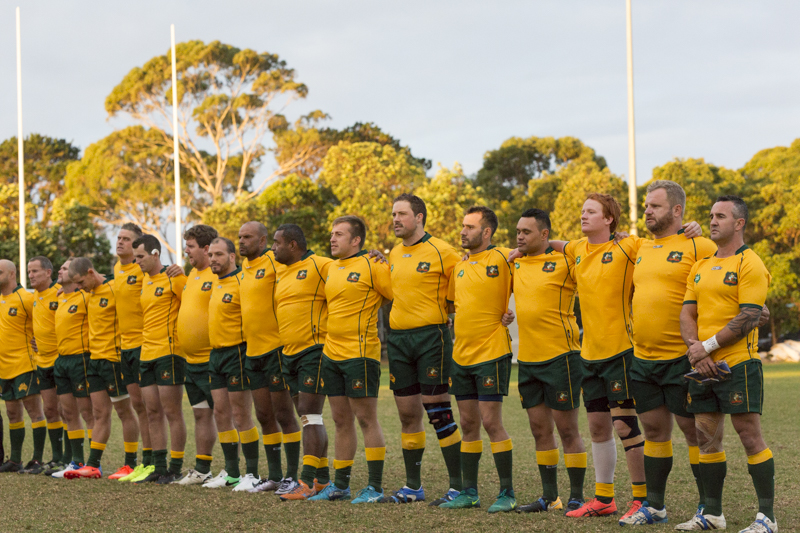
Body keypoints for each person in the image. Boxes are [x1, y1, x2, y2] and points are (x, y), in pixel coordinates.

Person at [560, 193, 702, 521]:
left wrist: (689, 227)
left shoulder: (630, 246)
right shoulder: (577, 248)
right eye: (582, 210)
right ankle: (604, 498)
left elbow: (666, 244)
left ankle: (641, 498)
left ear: (609, 219)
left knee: (625, 426)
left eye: (590, 211)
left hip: (622, 352)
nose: (583, 216)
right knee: (597, 427)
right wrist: (520, 248)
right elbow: (554, 243)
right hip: (589, 354)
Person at [621, 180, 717, 525]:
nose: (647, 210)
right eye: (646, 206)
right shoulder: (640, 246)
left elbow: (727, 271)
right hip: (643, 358)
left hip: (683, 358)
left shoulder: (699, 244)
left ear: (677, 211)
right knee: (654, 432)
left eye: (655, 206)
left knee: (694, 432)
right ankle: (655, 506)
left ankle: (708, 506)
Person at [677, 196, 775, 533]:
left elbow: (750, 316)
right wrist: (695, 349)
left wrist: (706, 348)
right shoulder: (701, 265)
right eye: (711, 216)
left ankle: (767, 518)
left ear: (739, 223)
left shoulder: (750, 263)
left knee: (749, 437)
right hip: (702, 367)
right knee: (706, 439)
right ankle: (712, 514)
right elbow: (687, 312)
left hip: (738, 365)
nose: (713, 221)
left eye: (721, 216)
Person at [383, 194, 463, 505]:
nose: (396, 219)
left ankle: (458, 486)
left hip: (432, 338)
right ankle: (413, 487)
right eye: (393, 213)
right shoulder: (392, 254)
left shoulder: (443, 251)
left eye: (402, 213)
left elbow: (462, 294)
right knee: (406, 415)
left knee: (438, 412)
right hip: (398, 341)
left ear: (419, 217)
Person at [508, 209, 587, 513]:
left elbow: (588, 256)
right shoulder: (514, 263)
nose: (519, 237)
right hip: (527, 360)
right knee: (540, 431)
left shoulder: (565, 261)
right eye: (518, 231)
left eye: (527, 232)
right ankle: (550, 497)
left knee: (568, 431)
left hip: (561, 357)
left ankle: (577, 495)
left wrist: (556, 243)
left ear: (544, 235)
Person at [440, 206, 516, 513]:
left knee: (490, 422)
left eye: (470, 227)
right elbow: (456, 308)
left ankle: (507, 492)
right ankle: (469, 492)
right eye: (462, 226)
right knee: (468, 423)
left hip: (492, 353)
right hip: (462, 356)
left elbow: (537, 255)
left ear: (486, 232)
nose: (462, 231)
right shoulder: (458, 266)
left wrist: (510, 313)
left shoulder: (505, 257)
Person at [315, 216, 392, 504]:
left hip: (360, 355)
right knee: (340, 419)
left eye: (339, 234)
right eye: (332, 233)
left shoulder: (374, 264)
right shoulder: (332, 268)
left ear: (356, 240)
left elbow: (397, 293)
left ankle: (374, 487)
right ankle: (341, 486)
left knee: (365, 419)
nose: (332, 239)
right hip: (331, 354)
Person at [238, 221, 302, 494]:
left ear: (263, 241)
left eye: (247, 237)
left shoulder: (275, 263)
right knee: (264, 415)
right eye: (239, 237)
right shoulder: (244, 268)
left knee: (284, 414)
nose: (241, 241)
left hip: (276, 350)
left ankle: (292, 475)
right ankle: (274, 476)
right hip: (252, 352)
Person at [271, 224, 333, 500]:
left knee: (310, 414)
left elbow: (350, 273)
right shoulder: (281, 272)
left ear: (293, 244)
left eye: (276, 243)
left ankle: (306, 482)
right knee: (308, 417)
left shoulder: (320, 265)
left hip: (314, 350)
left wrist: (374, 256)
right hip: (289, 353)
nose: (272, 248)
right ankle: (323, 479)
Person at [65, 257, 140, 480]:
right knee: (99, 413)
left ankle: (130, 464)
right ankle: (93, 465)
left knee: (124, 411)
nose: (79, 287)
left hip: (114, 359)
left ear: (90, 272)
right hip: (94, 360)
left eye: (80, 282)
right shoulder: (87, 294)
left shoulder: (115, 287)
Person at [203, 237, 261, 491]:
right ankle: (232, 472)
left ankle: (253, 473)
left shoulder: (242, 281)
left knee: (240, 414)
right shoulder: (215, 283)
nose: (213, 259)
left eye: (218, 254)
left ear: (232, 257)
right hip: (215, 355)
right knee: (220, 413)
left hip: (237, 353)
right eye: (211, 255)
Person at [132, 234, 187, 484]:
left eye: (141, 256)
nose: (137, 261)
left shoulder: (174, 277)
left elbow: (191, 305)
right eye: (135, 257)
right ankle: (159, 466)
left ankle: (175, 468)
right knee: (152, 411)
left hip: (169, 353)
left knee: (172, 411)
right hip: (146, 354)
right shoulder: (144, 280)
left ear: (155, 254)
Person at [174, 224, 219, 485]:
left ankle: (235, 471)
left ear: (206, 248)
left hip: (212, 360)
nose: (186, 251)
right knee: (201, 415)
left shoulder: (218, 274)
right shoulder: (192, 274)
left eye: (190, 246)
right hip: (191, 362)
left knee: (226, 416)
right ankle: (202, 469)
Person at [112, 223, 153, 482]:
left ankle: (151, 462)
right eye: (118, 238)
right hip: (124, 347)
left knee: (149, 407)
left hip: (144, 344)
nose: (120, 242)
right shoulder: (117, 269)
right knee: (138, 405)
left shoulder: (143, 270)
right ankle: (139, 463)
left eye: (126, 239)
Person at [0, 259, 47, 473]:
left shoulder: (26, 298)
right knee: (12, 414)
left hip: (25, 364)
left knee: (34, 411)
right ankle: (15, 460)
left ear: (11, 274)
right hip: (4, 367)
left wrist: (42, 340)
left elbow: (44, 321)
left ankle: (37, 460)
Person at [50, 260, 94, 478]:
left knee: (87, 412)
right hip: (62, 360)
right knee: (67, 412)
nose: (60, 270)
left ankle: (94, 463)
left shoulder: (86, 296)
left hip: (81, 360)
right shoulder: (60, 297)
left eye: (65, 269)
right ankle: (75, 462)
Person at [27, 256, 66, 473]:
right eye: (29, 271)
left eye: (35, 271)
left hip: (60, 360)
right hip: (41, 361)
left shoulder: (60, 292)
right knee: (50, 410)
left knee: (66, 410)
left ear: (48, 272)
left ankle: (71, 458)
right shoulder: (33, 296)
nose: (31, 275)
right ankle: (57, 457)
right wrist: (36, 339)